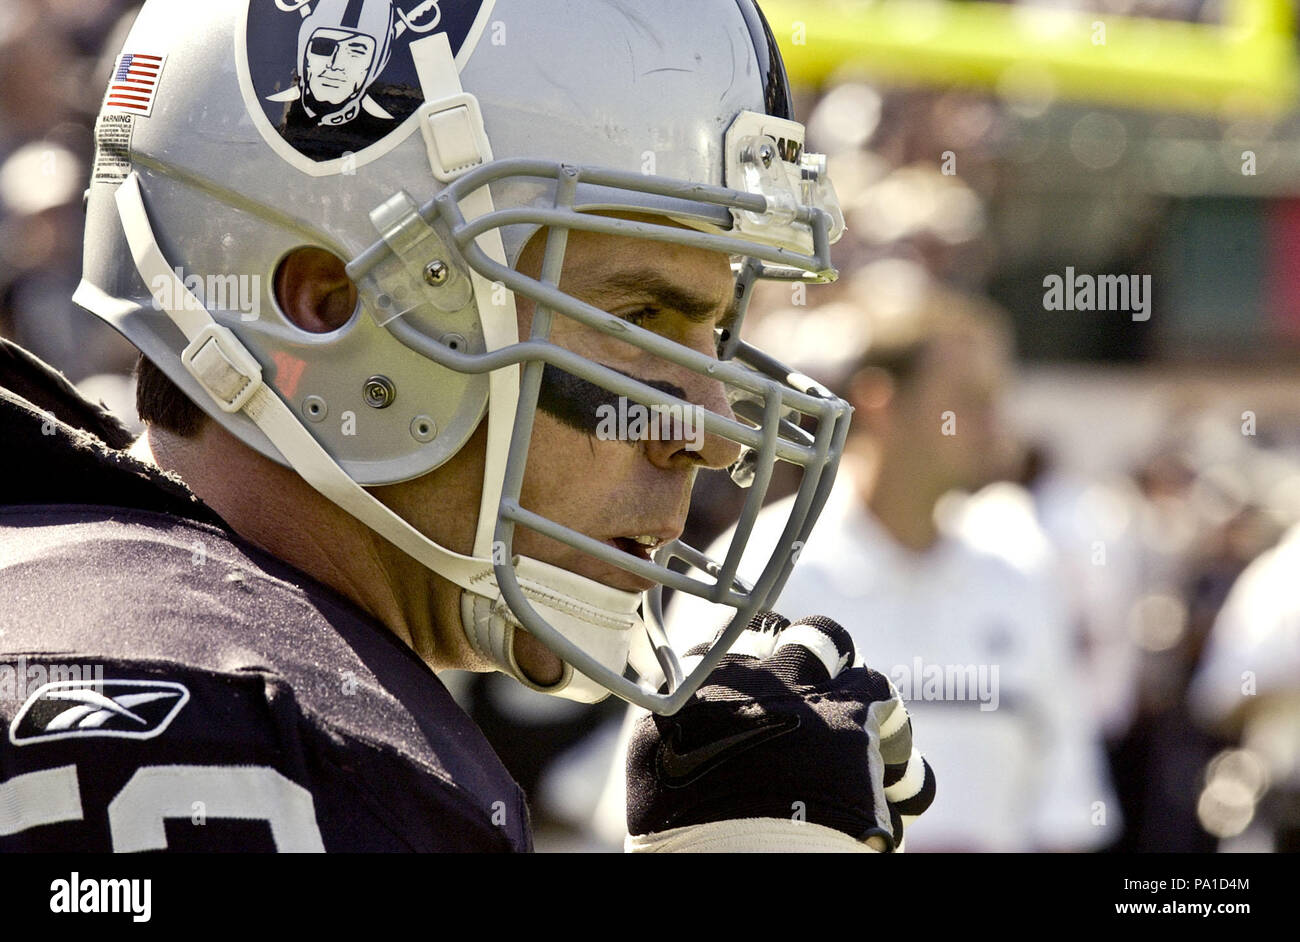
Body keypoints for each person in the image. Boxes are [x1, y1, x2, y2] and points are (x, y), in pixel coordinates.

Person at [0, 0, 933, 852]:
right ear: (327, 307)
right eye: (642, 320)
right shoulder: (252, 729)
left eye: (718, 335)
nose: (717, 436)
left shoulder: (79, 592)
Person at [621, 285, 1115, 851]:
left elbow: (1068, 804)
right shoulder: (760, 565)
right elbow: (660, 799)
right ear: (882, 401)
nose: (994, 422)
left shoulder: (1025, 573)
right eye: (969, 398)